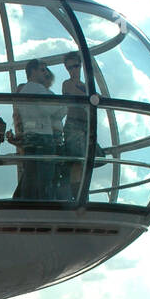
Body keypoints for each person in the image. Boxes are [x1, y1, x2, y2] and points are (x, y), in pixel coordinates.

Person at [6, 59, 60, 200]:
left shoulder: (24, 90)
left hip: (30, 136)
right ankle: (43, 206)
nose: (45, 73)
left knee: (31, 174)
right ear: (33, 71)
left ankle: (23, 203)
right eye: (42, 70)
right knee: (45, 177)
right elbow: (53, 108)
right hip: (43, 137)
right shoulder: (37, 89)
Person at [60, 52, 89, 202]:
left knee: (83, 163)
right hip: (74, 124)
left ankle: (81, 195)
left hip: (85, 125)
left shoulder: (85, 86)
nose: (72, 70)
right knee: (77, 163)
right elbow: (78, 96)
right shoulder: (67, 84)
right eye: (69, 67)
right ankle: (77, 197)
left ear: (80, 66)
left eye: (75, 66)